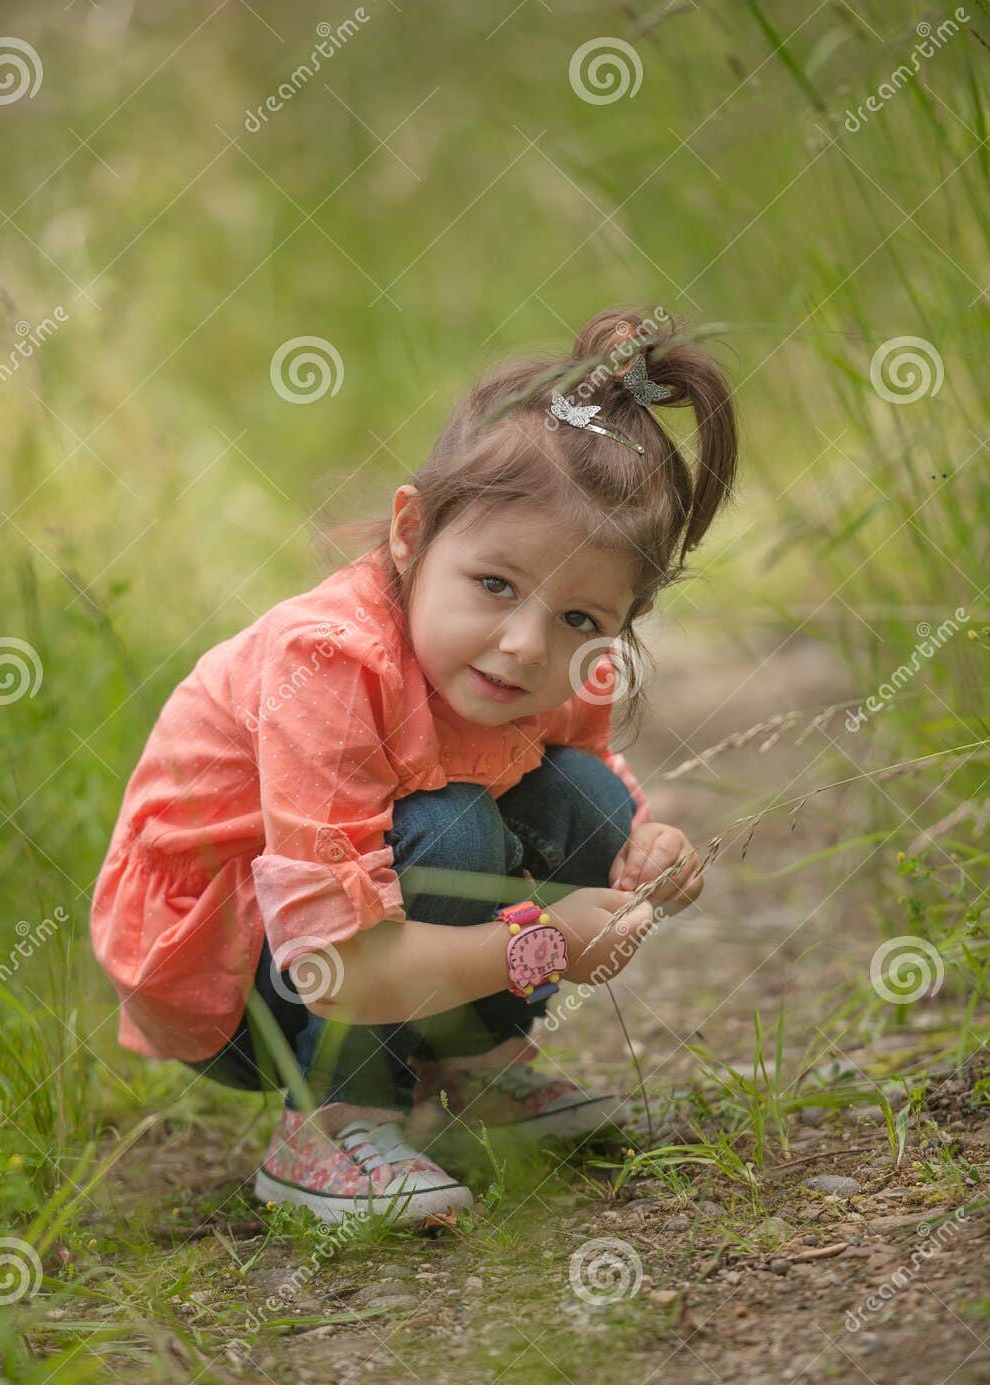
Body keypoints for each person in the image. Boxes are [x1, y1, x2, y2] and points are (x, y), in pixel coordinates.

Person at [89, 305, 738, 1225]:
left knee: (589, 803)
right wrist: (545, 946)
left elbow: (581, 783)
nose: (521, 645)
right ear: (410, 532)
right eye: (493, 585)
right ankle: (333, 1117)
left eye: (580, 618)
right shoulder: (331, 663)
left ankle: (470, 1072)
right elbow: (334, 961)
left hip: (364, 927)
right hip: (238, 965)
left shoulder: (562, 657)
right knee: (450, 826)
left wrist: (648, 850)